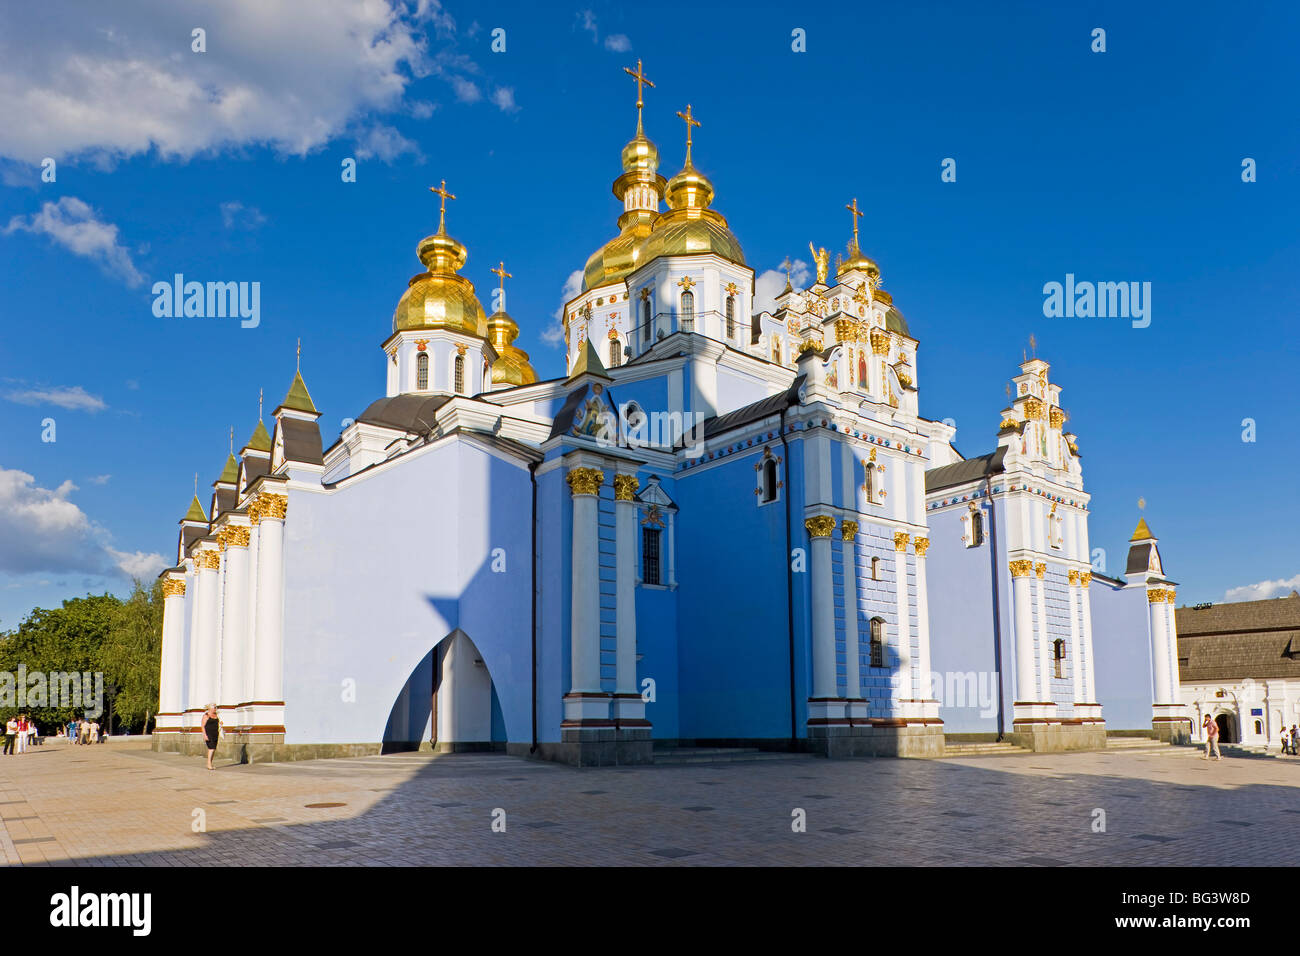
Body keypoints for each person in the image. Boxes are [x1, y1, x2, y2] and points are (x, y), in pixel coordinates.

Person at [202, 704, 220, 771]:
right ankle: (209, 764)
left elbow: (218, 723)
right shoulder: (206, 715)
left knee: (214, 749)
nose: (215, 709)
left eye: (216, 708)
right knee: (211, 748)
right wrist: (204, 735)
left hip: (215, 733)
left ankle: (210, 763)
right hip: (209, 734)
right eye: (214, 708)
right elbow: (203, 726)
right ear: (209, 708)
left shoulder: (216, 715)